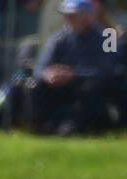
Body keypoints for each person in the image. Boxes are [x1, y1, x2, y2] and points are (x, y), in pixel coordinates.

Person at [30, 0, 113, 135]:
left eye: (73, 15)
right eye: (66, 15)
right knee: (35, 84)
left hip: (88, 87)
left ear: (88, 16)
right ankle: (42, 125)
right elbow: (40, 67)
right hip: (60, 86)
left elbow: (108, 70)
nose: (68, 19)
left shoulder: (108, 38)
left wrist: (74, 74)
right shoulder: (57, 39)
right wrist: (48, 74)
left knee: (92, 87)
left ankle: (74, 125)